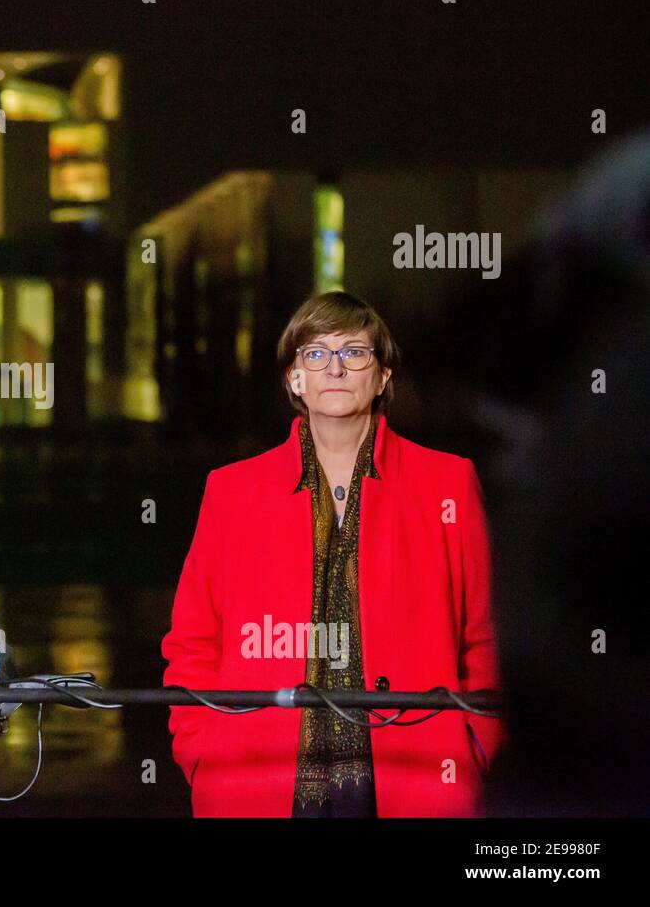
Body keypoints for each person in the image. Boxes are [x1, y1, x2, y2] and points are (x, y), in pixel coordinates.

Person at [161, 291, 505, 817]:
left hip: (416, 771)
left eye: (355, 353)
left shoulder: (448, 484)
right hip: (259, 770)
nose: (336, 368)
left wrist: (478, 750)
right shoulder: (231, 491)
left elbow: (486, 640)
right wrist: (200, 748)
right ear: (294, 379)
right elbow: (193, 642)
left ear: (383, 376)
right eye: (316, 353)